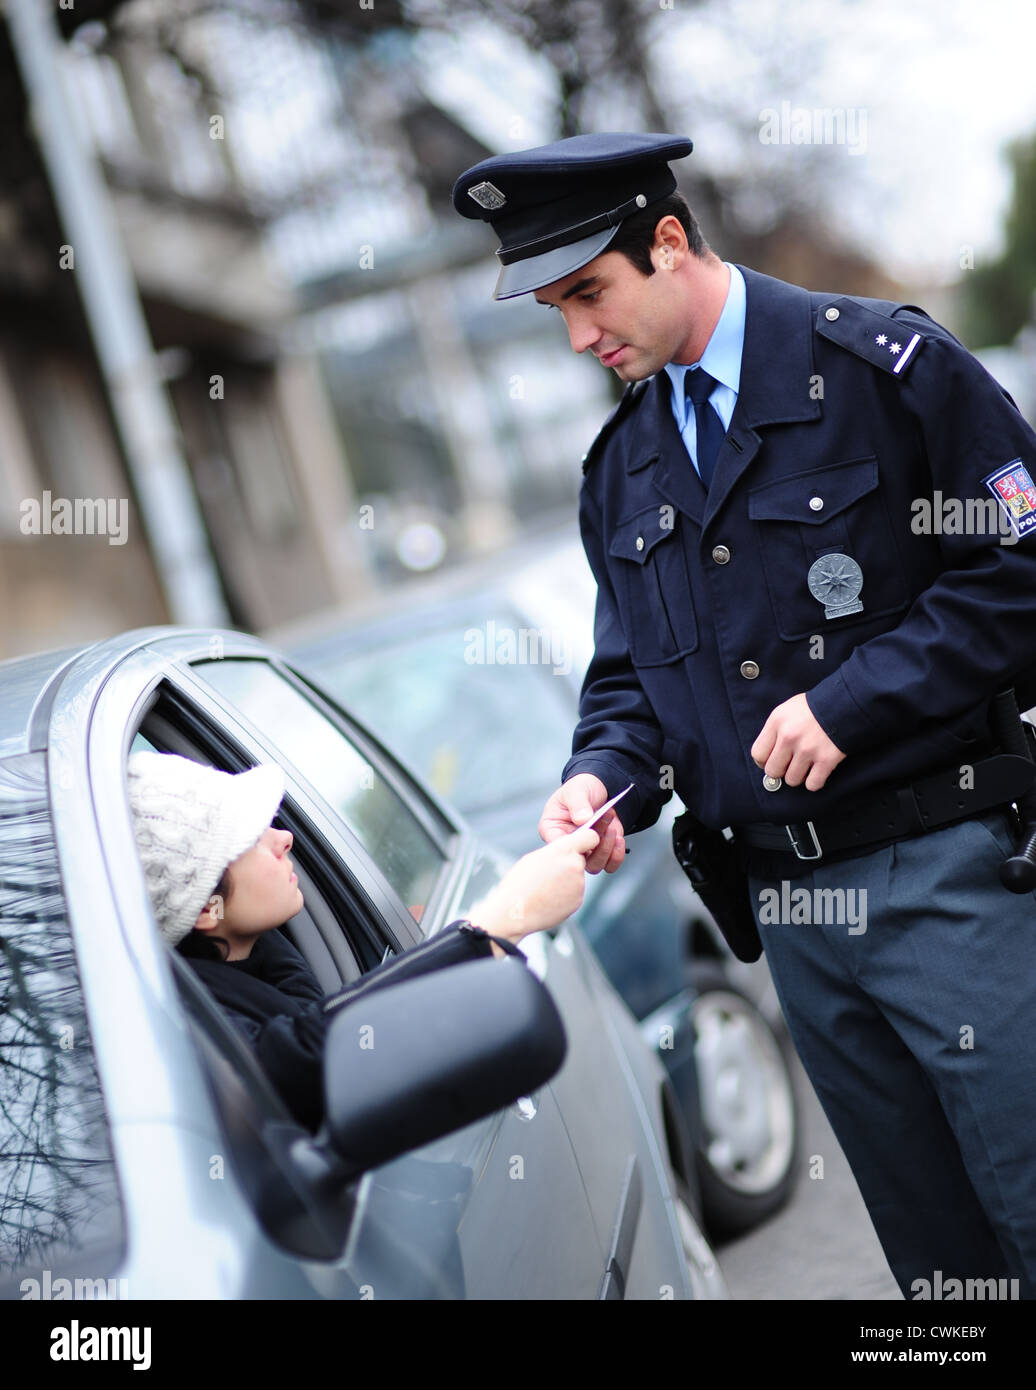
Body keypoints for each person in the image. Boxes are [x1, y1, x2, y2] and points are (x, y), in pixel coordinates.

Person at [452, 131, 1036, 1300]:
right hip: (794, 922)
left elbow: (1016, 570)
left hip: (948, 877)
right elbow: (632, 680)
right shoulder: (622, 467)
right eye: (557, 311)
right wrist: (600, 780)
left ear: (667, 242)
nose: (578, 336)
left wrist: (854, 701)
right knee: (939, 1272)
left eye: (588, 294)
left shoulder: (881, 371)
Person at [126, 750, 598, 1131]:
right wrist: (506, 918)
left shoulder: (263, 956)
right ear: (205, 909)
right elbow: (307, 1066)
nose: (284, 837)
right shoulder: (203, 1035)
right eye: (249, 839)